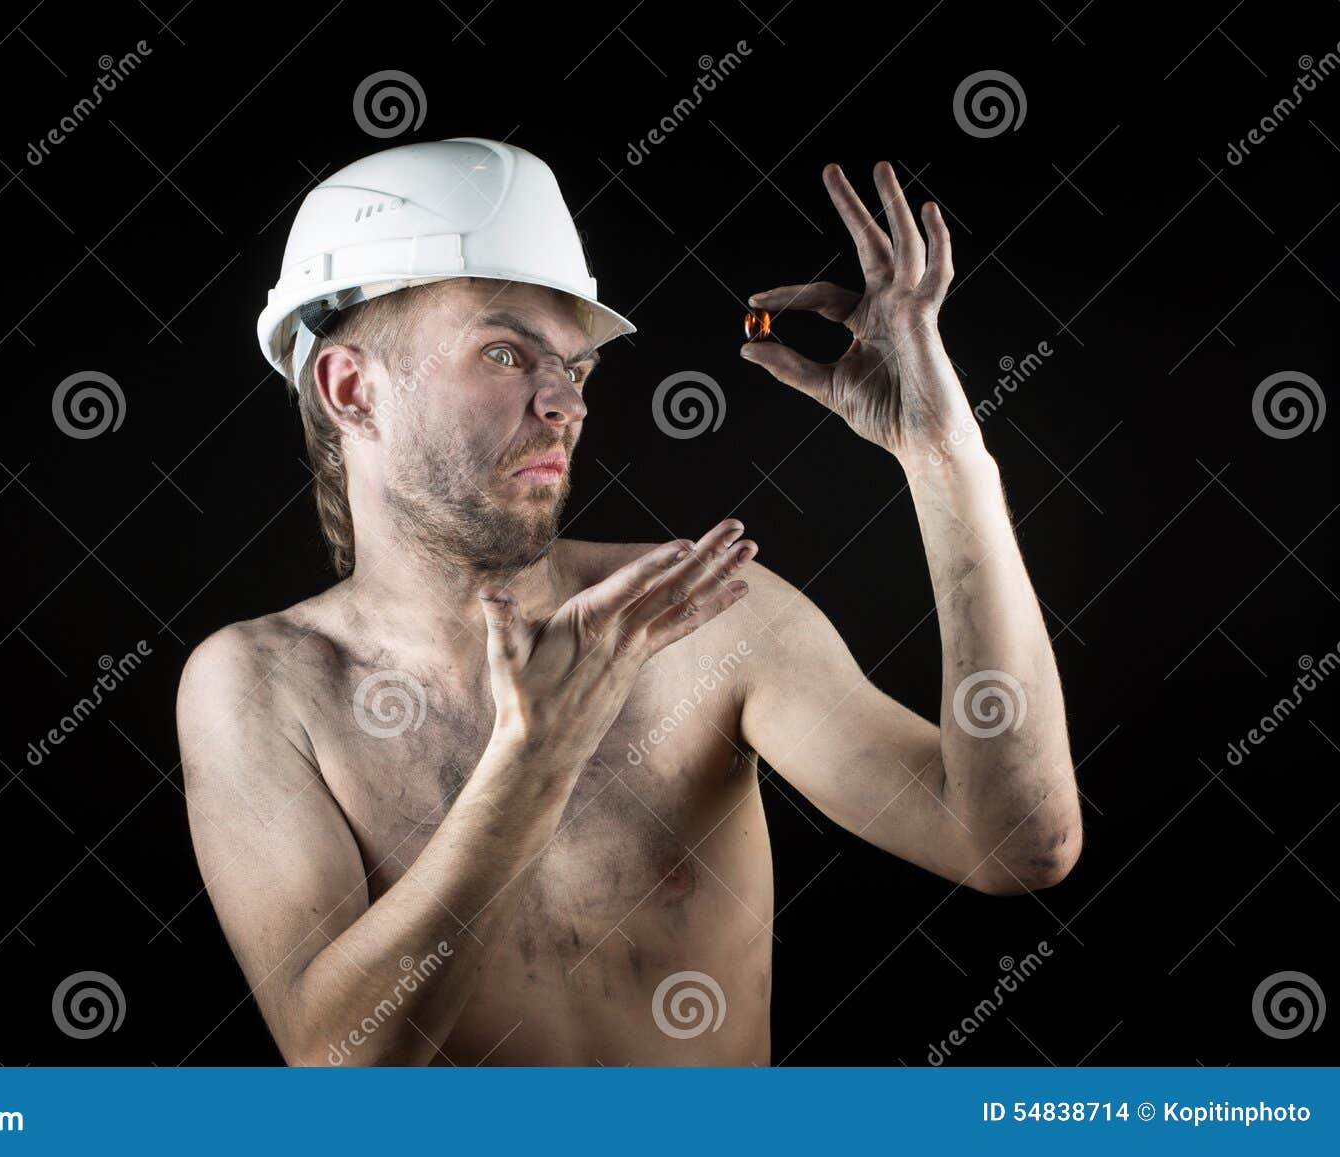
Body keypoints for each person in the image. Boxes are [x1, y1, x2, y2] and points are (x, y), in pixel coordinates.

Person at [176, 137, 1081, 1065]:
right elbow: (341, 1070)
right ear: (351, 388)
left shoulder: (701, 615)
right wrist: (533, 762)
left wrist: (944, 457)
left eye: (575, 366)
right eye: (503, 352)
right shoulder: (261, 689)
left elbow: (1016, 842)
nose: (564, 403)